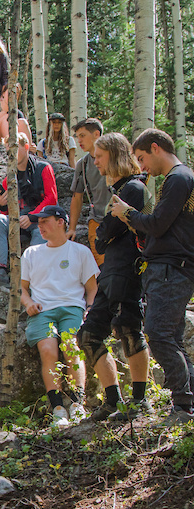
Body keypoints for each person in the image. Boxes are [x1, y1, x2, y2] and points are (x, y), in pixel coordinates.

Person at [111, 128, 194, 426]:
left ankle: (183, 406)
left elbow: (158, 225)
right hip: (170, 266)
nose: (142, 167)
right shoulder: (178, 180)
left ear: (156, 148)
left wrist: (128, 214)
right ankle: (187, 401)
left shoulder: (179, 178)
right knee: (171, 337)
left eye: (143, 158)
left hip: (173, 268)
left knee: (158, 334)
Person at [77, 133, 153, 421]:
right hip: (110, 271)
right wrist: (106, 230)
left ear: (115, 154)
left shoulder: (133, 188)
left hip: (129, 269)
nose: (95, 162)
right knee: (88, 335)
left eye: (99, 156)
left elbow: (106, 232)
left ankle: (140, 401)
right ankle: (113, 401)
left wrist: (106, 229)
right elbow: (101, 237)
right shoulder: (119, 190)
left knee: (128, 328)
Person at [21, 205, 98, 426]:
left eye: (45, 221)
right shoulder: (32, 253)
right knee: (47, 350)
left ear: (60, 222)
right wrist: (28, 303)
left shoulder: (80, 251)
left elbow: (92, 288)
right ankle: (57, 408)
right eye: (39, 222)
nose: (40, 226)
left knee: (70, 346)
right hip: (42, 310)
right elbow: (21, 288)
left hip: (72, 307)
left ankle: (77, 404)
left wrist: (90, 310)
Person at [0, 133, 57, 286]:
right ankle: (1, 272)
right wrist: (3, 203)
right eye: (8, 152)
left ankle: (30, 275)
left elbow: (52, 199)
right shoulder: (9, 179)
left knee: (41, 230)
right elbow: (7, 213)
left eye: (14, 149)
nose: (11, 154)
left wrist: (32, 216)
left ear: (26, 147)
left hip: (41, 219)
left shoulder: (44, 168)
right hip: (19, 221)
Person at [68, 118, 109, 266]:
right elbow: (76, 197)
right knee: (102, 266)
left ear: (96, 134)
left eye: (82, 135)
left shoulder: (115, 156)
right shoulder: (82, 164)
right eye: (77, 136)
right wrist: (72, 229)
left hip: (120, 218)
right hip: (97, 221)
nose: (79, 140)